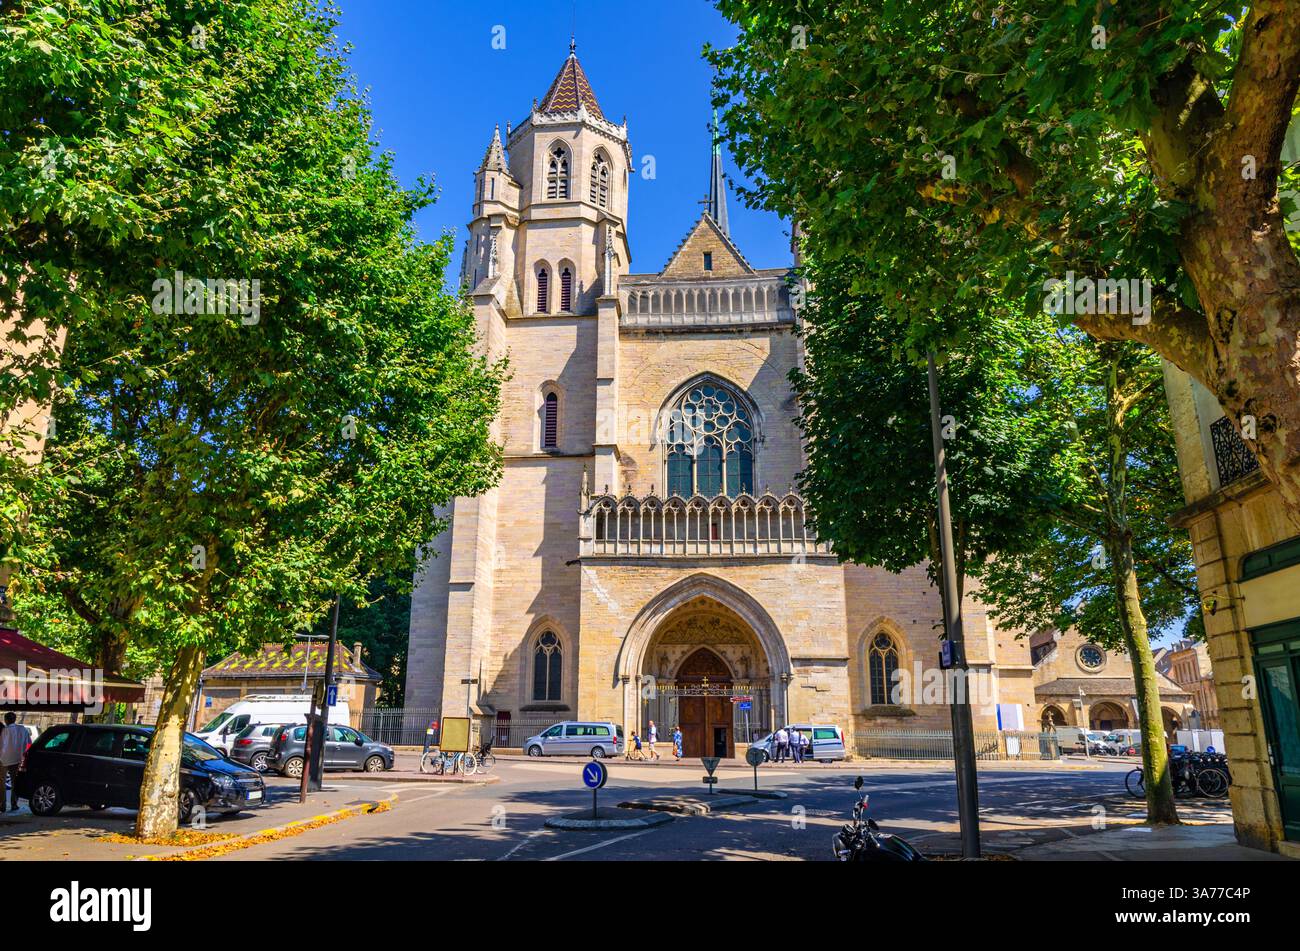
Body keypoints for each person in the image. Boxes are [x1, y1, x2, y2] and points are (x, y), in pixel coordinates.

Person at [0, 713, 27, 811]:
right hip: (17, 759)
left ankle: (2, 805)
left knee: (1, 783)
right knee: (15, 783)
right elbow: (28, 743)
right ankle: (14, 804)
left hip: (4, 760)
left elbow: (2, 746)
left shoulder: (5, 730)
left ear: (6, 720)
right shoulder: (23, 729)